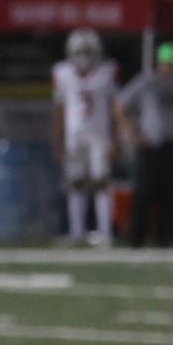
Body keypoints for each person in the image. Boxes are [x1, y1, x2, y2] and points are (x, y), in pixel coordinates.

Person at [117, 41, 173, 248]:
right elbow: (121, 106)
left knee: (170, 194)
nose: (170, 67)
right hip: (149, 146)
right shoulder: (147, 82)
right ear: (160, 63)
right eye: (167, 63)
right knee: (144, 193)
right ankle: (136, 240)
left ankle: (165, 239)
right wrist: (132, 132)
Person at [52, 29, 118, 247]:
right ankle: (76, 231)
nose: (84, 55)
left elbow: (114, 107)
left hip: (99, 135)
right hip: (74, 136)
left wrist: (115, 137)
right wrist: (57, 139)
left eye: (88, 51)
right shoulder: (62, 73)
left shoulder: (107, 72)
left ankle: (105, 232)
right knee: (75, 182)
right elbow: (59, 108)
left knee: (101, 181)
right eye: (80, 51)